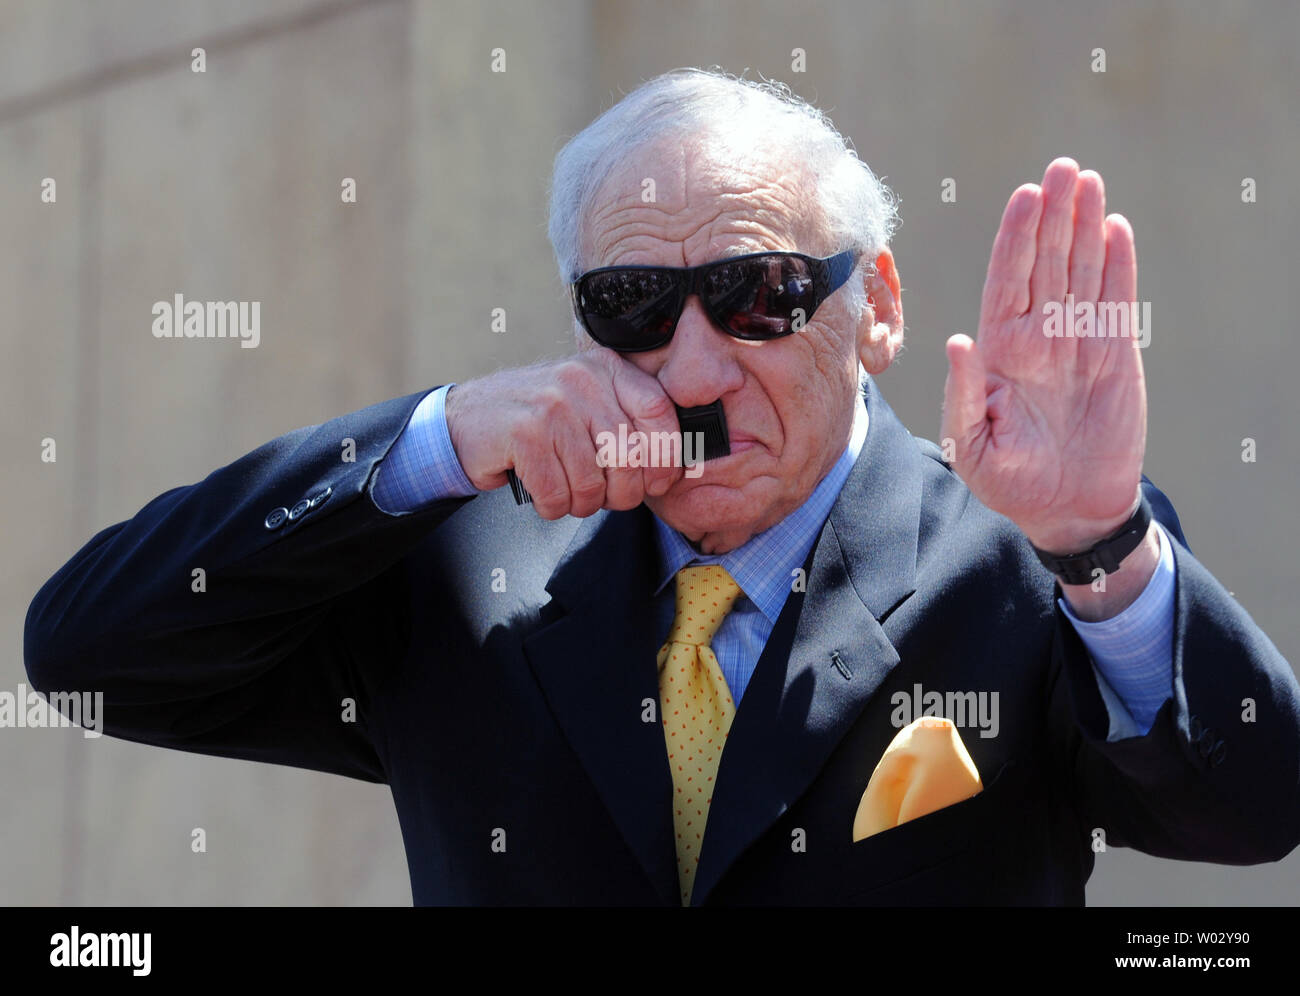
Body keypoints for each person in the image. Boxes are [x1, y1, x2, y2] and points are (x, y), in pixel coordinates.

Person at [25, 68, 1300, 906]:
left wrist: (1101, 545)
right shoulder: (475, 557)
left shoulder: (1024, 555)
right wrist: (434, 439)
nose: (692, 362)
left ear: (876, 309)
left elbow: (1251, 809)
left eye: (757, 296)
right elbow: (92, 653)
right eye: (632, 307)